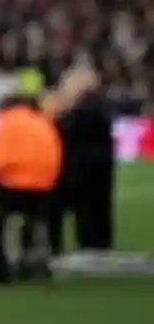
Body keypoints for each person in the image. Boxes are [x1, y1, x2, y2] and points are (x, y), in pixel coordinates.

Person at [0, 94, 63, 277]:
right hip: (44, 184)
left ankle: (10, 258)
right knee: (38, 218)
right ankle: (39, 257)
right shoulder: (43, 122)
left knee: (4, 212)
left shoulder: (7, 123)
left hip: (14, 183)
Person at [49, 65, 116, 254]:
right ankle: (96, 248)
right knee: (96, 215)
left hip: (82, 172)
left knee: (79, 213)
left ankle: (60, 248)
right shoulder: (98, 106)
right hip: (95, 170)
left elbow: (65, 131)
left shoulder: (84, 110)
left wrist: (57, 114)